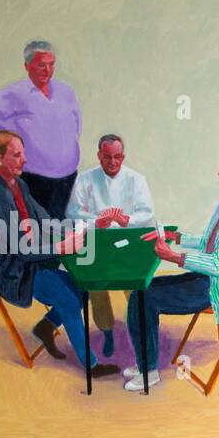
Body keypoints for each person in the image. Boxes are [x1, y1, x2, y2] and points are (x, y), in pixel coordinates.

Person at [0, 131, 117, 378]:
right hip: (13, 271)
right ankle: (91, 366)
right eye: (17, 155)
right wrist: (61, 247)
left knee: (82, 283)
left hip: (32, 261)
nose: (24, 160)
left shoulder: (18, 185)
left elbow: (45, 220)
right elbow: (20, 250)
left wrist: (87, 226)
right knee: (70, 301)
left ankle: (46, 326)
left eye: (23, 154)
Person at [126, 149, 219, 393]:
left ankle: (149, 371)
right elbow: (209, 243)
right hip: (205, 277)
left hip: (218, 289)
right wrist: (175, 237)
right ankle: (144, 363)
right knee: (140, 290)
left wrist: (175, 257)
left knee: (144, 298)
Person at [63, 134, 156, 357]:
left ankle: (139, 331)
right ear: (99, 156)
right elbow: (72, 212)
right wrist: (96, 221)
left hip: (128, 240)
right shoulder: (86, 179)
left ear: (123, 156)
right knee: (96, 287)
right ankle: (107, 334)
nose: (112, 162)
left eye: (117, 157)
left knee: (134, 286)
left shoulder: (136, 179)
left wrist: (127, 220)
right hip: (97, 240)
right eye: (107, 157)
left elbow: (147, 212)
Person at [0, 40, 82, 221]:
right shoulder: (16, 92)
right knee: (39, 228)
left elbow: (77, 123)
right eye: (41, 65)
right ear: (27, 66)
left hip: (68, 176)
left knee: (63, 226)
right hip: (35, 178)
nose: (47, 70)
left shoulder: (66, 91)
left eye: (51, 64)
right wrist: (18, 133)